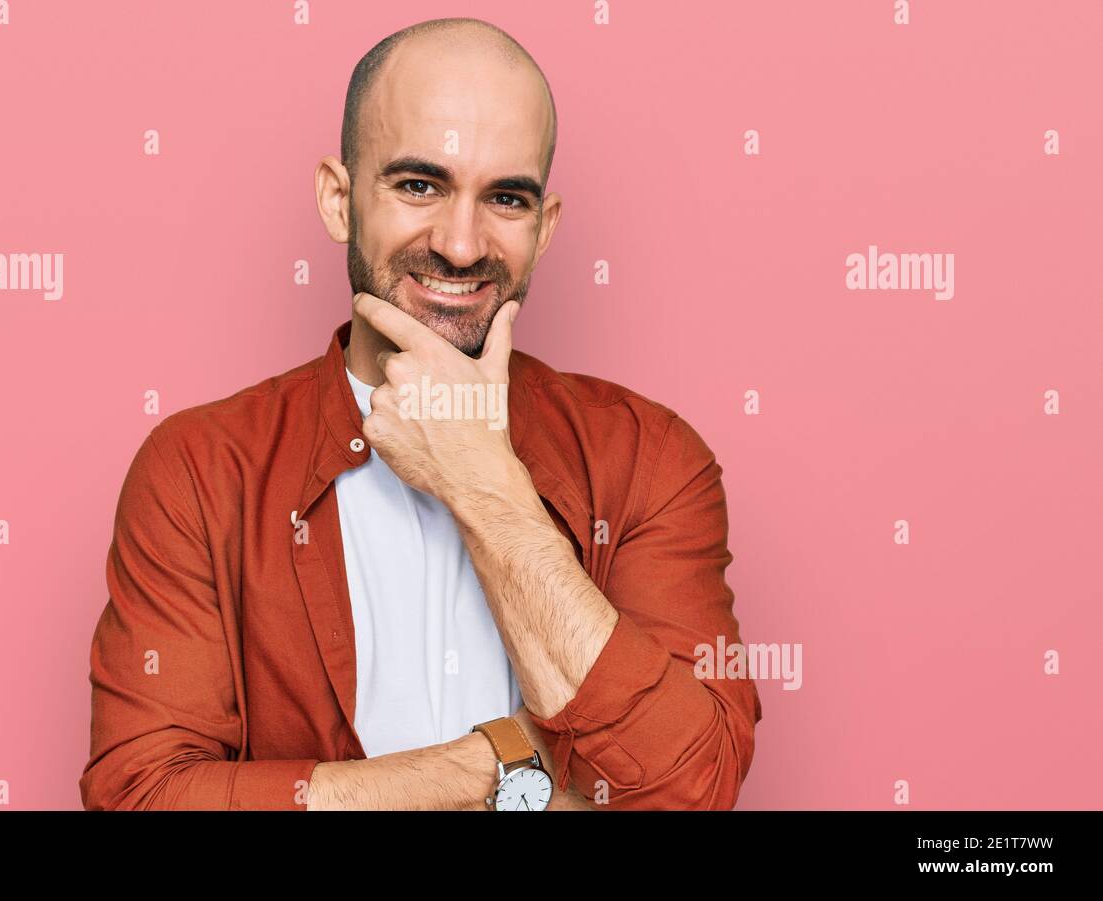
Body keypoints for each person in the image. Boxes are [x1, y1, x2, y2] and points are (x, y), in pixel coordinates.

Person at [79, 16, 760, 812]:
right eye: (418, 185)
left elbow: (690, 786)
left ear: (544, 230)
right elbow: (144, 797)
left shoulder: (649, 457)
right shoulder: (200, 468)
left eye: (505, 198)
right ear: (339, 201)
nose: (463, 245)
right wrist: (501, 766)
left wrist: (482, 484)